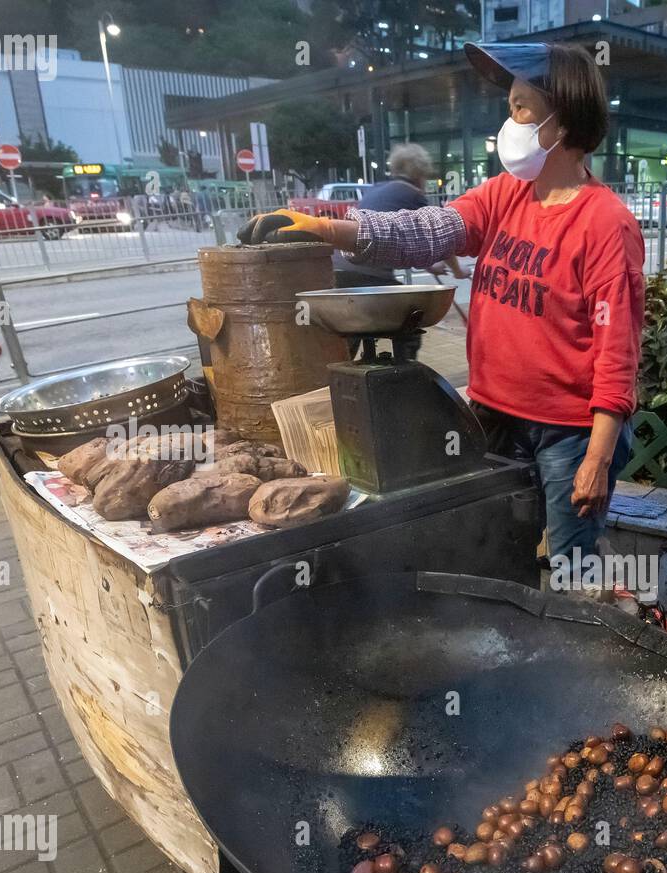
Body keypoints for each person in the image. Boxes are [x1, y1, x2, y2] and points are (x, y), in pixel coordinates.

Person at [237, 42, 644, 565]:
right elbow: (424, 232)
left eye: (521, 107)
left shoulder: (606, 224)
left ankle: (580, 636)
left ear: (561, 121)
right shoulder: (505, 195)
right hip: (495, 415)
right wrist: (324, 229)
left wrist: (599, 455)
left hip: (568, 434)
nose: (509, 120)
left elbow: (618, 352)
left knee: (570, 566)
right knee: (497, 551)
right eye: (511, 106)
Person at [332, 143, 469, 362]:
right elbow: (440, 237)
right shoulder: (412, 194)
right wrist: (458, 270)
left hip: (339, 271)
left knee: (351, 331)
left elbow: (402, 238)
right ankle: (407, 375)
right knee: (412, 319)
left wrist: (430, 264)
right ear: (419, 174)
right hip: (368, 276)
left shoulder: (378, 189)